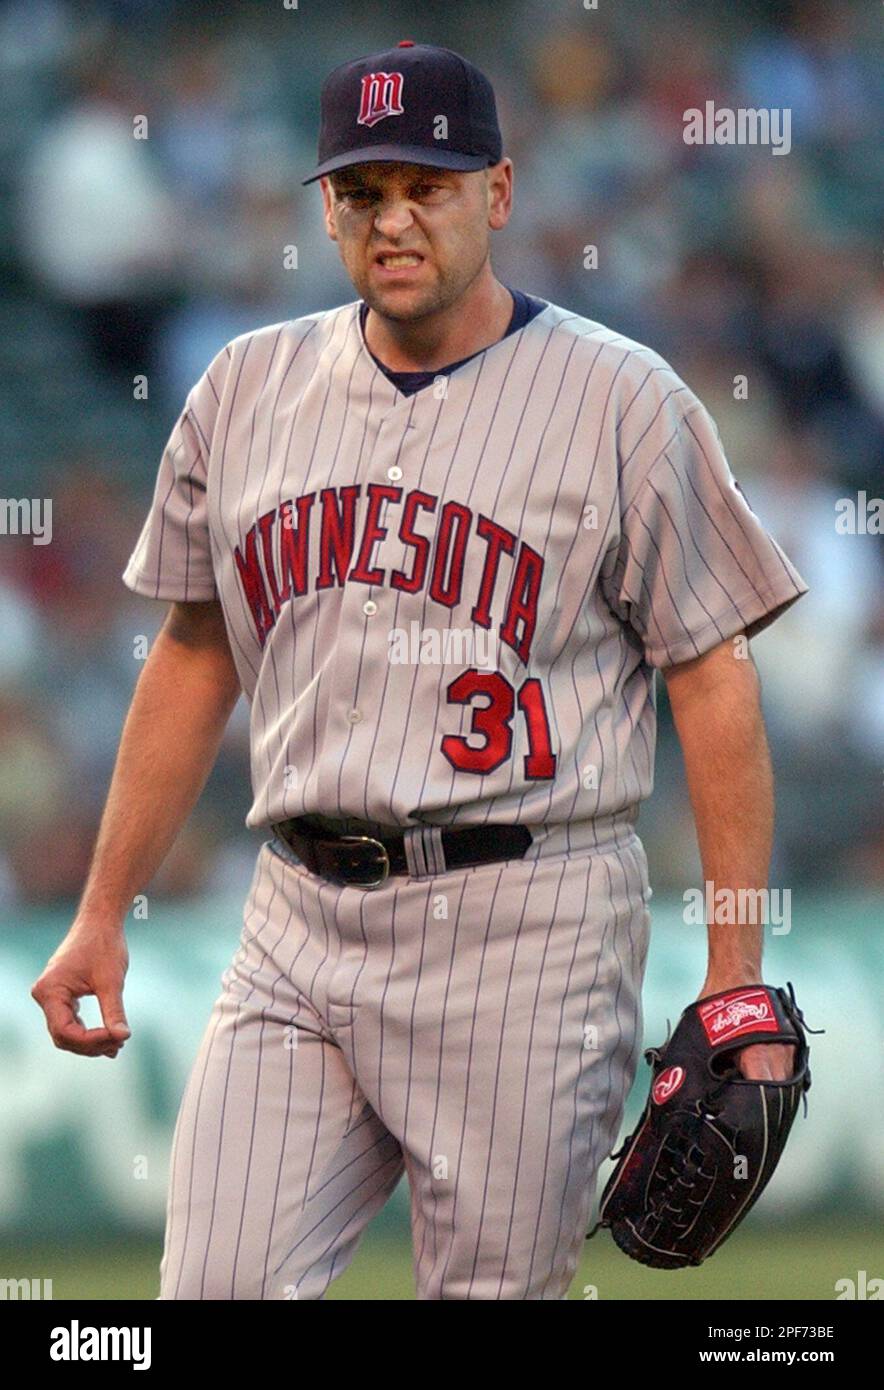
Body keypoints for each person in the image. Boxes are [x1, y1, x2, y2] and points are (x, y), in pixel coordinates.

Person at [32, 41, 807, 1300]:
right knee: (208, 1292)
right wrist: (104, 909)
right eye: (362, 191)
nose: (393, 220)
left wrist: (731, 973)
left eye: (427, 188)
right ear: (327, 209)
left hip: (528, 925)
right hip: (296, 918)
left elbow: (709, 677)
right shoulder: (242, 388)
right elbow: (191, 653)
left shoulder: (624, 404)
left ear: (495, 193)